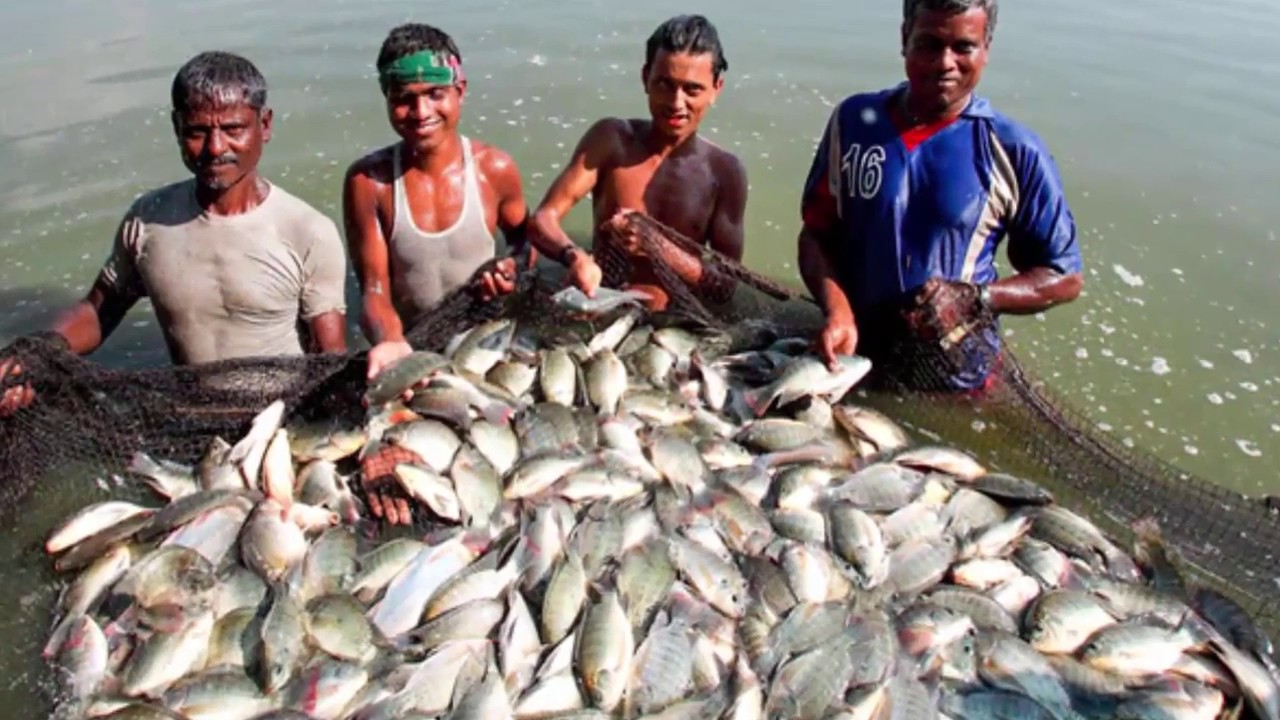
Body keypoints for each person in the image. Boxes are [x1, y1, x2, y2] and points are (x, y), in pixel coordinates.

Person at [0, 51, 349, 416]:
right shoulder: (149, 220)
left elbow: (330, 358)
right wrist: (38, 353)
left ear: (264, 125)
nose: (215, 148)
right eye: (197, 132)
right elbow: (96, 311)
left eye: (233, 130)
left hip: (279, 419)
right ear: (176, 129)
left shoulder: (307, 231)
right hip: (188, 417)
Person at [796, 0, 1083, 391]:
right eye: (929, 44)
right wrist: (838, 311)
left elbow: (1063, 277)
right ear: (904, 40)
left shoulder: (1013, 149)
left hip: (956, 375)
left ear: (986, 49)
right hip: (851, 357)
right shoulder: (854, 121)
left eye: (963, 47)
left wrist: (976, 298)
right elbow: (815, 234)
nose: (945, 62)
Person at [344, 23, 531, 382]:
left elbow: (525, 243)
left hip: (485, 341)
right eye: (403, 99)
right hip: (413, 345)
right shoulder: (368, 182)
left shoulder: (495, 169)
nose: (420, 111)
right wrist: (391, 342)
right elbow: (374, 288)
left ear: (460, 91)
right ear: (386, 99)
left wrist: (511, 269)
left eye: (435, 94)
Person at [529, 14, 748, 311]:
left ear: (716, 89)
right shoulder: (611, 140)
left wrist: (659, 248)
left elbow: (725, 286)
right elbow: (543, 219)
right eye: (664, 84)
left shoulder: (724, 172)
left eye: (692, 89)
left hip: (670, 324)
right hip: (600, 308)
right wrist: (574, 256)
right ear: (645, 78)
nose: (676, 102)